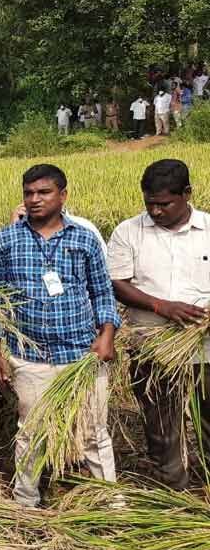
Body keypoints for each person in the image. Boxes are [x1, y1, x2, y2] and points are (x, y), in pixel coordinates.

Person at [0, 164, 119, 508]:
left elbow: (102, 293)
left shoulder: (84, 237)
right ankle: (25, 501)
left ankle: (110, 502)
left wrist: (107, 336)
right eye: (28, 193)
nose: (34, 199)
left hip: (81, 354)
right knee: (31, 432)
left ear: (63, 195)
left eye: (43, 192)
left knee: (92, 433)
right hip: (30, 356)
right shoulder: (5, 239)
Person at [107, 159, 210, 490]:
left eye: (164, 203)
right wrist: (159, 305)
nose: (156, 211)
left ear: (187, 194)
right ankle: (174, 493)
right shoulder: (128, 231)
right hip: (152, 348)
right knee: (163, 427)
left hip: (206, 349)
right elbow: (117, 283)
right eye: (149, 203)